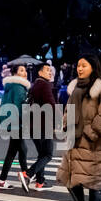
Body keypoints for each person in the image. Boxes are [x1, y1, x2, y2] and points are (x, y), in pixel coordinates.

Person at [56, 55, 101, 201]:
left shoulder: (100, 89)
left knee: (95, 182)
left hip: (94, 144)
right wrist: (65, 125)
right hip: (74, 142)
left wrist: (90, 133)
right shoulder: (75, 89)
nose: (80, 69)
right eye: (78, 65)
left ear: (93, 67)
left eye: (84, 65)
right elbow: (68, 111)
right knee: (70, 178)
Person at [23, 62, 58, 191]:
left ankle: (40, 182)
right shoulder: (45, 85)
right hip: (44, 125)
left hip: (33, 126)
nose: (50, 72)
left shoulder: (34, 86)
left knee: (42, 154)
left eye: (51, 70)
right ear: (40, 73)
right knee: (48, 155)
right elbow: (51, 105)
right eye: (47, 70)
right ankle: (28, 173)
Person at [0, 65, 31, 190]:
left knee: (22, 150)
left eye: (25, 70)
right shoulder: (18, 87)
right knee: (12, 152)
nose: (25, 73)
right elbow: (20, 106)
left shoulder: (9, 86)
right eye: (22, 70)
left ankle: (26, 176)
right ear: (15, 74)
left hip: (9, 121)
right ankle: (3, 179)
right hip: (17, 122)